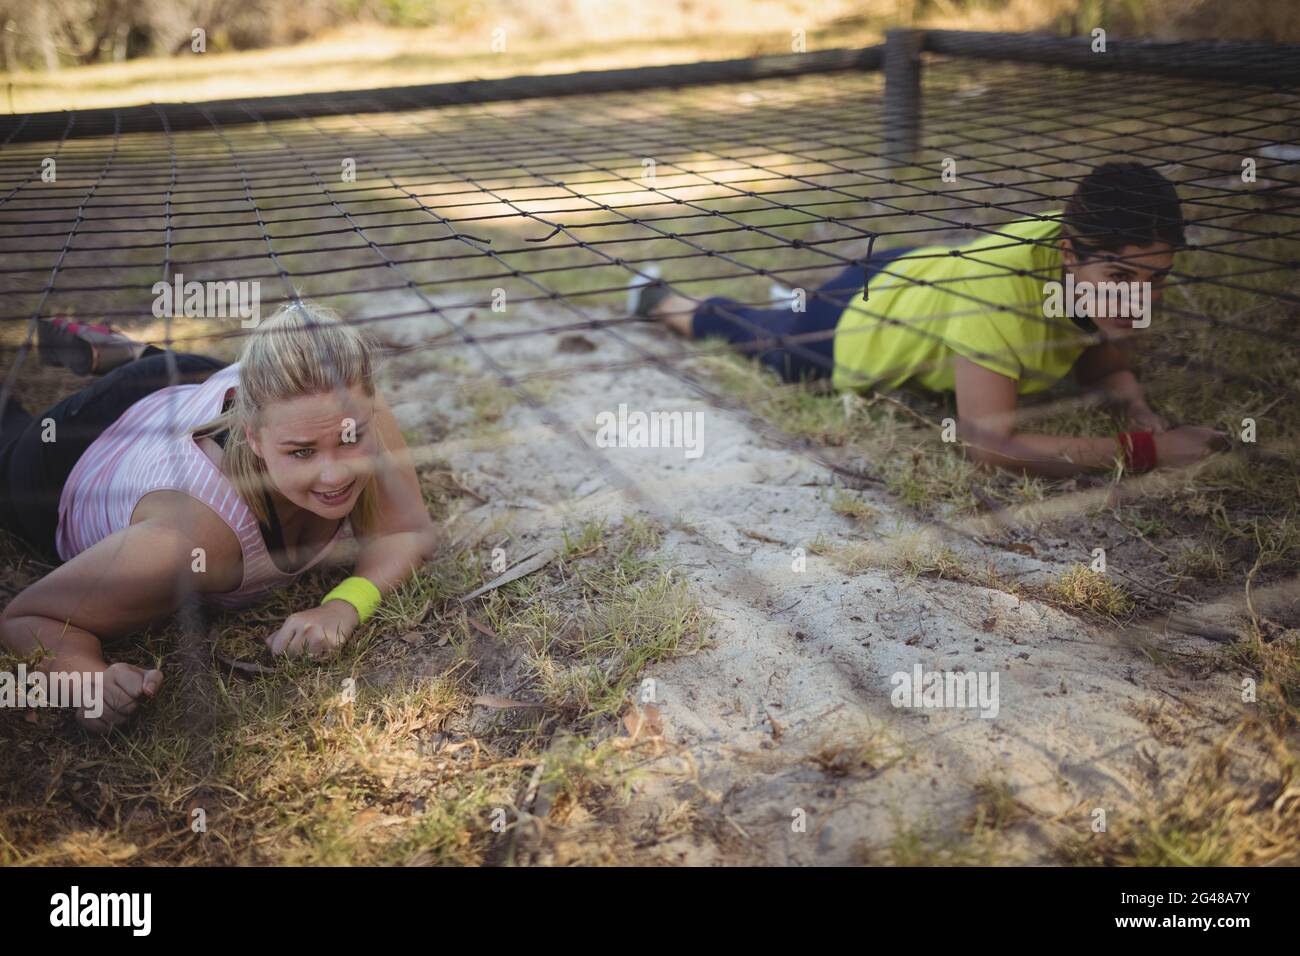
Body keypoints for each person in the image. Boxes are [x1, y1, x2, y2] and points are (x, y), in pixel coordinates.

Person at [0, 302, 439, 734]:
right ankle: (125, 361)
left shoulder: (344, 403)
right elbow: (28, 618)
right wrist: (89, 681)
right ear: (252, 436)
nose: (335, 472)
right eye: (301, 452)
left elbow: (404, 532)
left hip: (189, 384)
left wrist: (345, 604)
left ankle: (129, 354)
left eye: (350, 439)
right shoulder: (192, 542)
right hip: (66, 456)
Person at [635, 162, 1228, 477]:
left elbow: (1094, 346)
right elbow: (990, 445)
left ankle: (795, 300)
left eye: (1156, 280)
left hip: (922, 277)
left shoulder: (1095, 250)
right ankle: (662, 302)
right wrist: (1147, 448)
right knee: (771, 346)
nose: (1139, 303)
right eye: (1123, 281)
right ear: (1069, 252)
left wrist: (1131, 400)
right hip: (864, 322)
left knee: (798, 313)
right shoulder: (1002, 290)